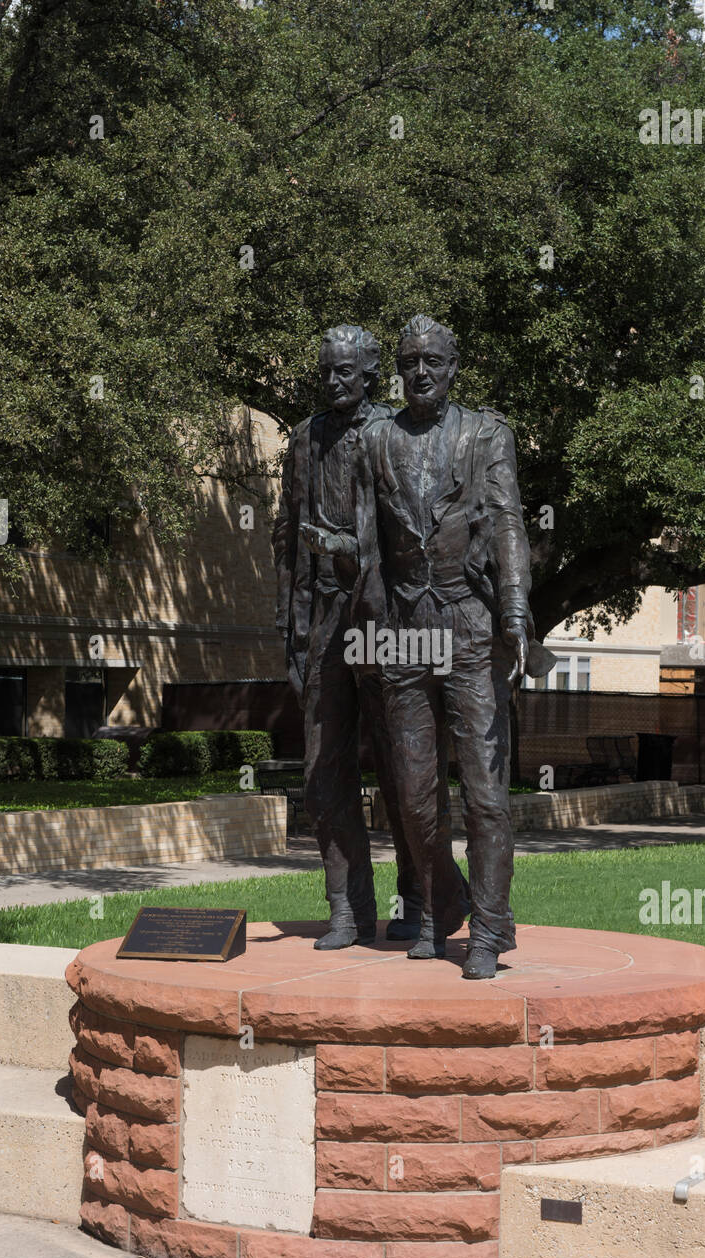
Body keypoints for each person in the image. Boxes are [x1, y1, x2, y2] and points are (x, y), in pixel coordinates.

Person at [357, 314, 533, 979]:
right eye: (408, 363)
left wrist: (514, 610)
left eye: (431, 362)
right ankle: (439, 906)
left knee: (485, 796)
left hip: (468, 624)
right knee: (413, 797)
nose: (419, 373)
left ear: (453, 367)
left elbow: (510, 523)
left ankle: (487, 929)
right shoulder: (377, 440)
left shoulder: (485, 435)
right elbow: (366, 536)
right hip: (403, 631)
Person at [272, 325, 422, 949]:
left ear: (369, 374)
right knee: (323, 770)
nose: (333, 381)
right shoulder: (304, 438)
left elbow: (410, 534)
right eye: (326, 371)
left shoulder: (393, 434)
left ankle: (423, 902)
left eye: (345, 372)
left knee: (403, 769)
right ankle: (347, 910)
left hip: (382, 620)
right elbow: (286, 537)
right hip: (326, 620)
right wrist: (291, 629)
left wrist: (345, 548)